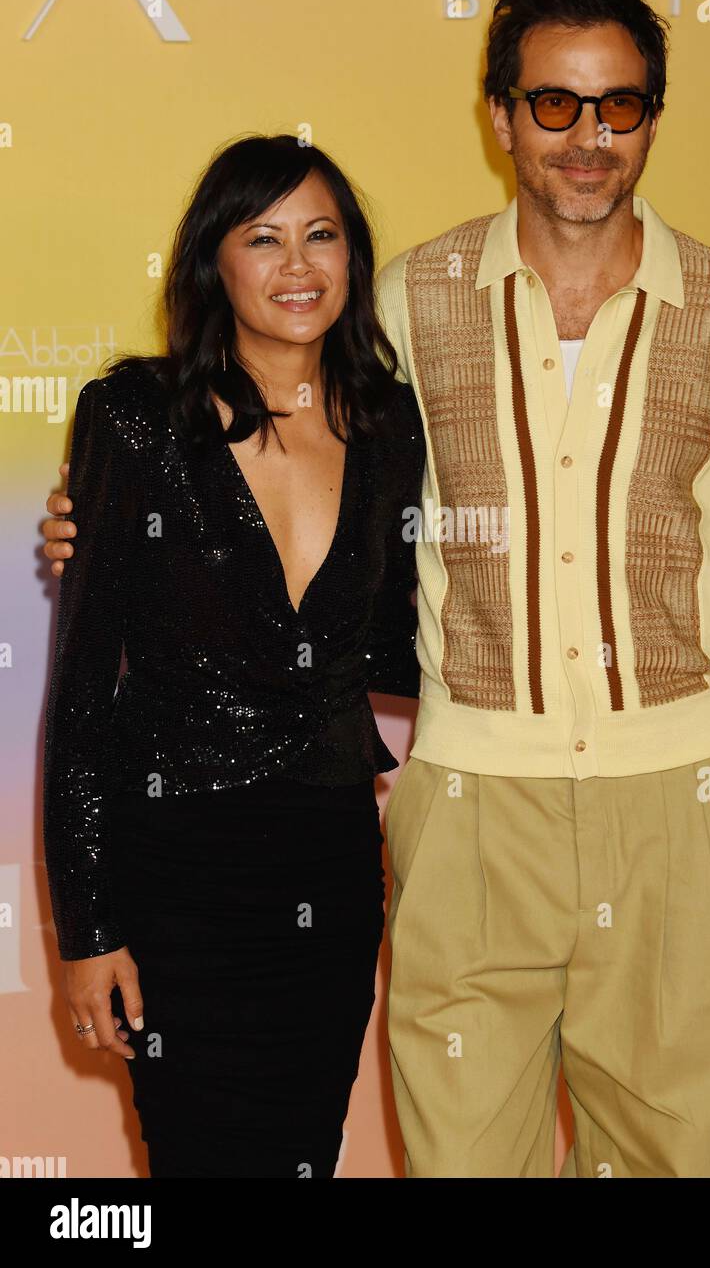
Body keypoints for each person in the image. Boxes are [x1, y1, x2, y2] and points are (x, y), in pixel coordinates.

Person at [44, 0, 710, 1180]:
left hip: (682, 788)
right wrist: (98, 524)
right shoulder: (406, 305)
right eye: (554, 104)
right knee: (465, 1162)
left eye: (618, 105)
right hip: (468, 801)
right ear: (502, 116)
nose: (587, 137)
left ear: (652, 120)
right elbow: (261, 453)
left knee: (685, 1162)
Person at [39, 133, 424, 1178]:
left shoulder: (390, 427)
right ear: (217, 261)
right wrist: (87, 929)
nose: (297, 266)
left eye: (321, 237)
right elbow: (78, 696)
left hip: (330, 869)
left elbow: (403, 639)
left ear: (352, 256)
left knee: (304, 1151)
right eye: (264, 238)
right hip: (178, 875)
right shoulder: (135, 419)